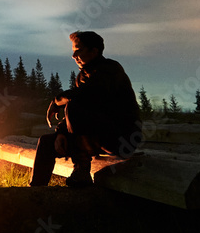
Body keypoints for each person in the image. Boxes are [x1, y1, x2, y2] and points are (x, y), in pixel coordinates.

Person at [29, 30, 142, 188]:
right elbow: (79, 109)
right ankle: (35, 193)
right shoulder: (82, 77)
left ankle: (82, 170)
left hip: (122, 139)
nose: (73, 56)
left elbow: (86, 98)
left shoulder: (110, 70)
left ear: (94, 51)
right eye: (73, 51)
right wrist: (61, 133)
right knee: (47, 142)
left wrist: (57, 101)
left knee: (74, 104)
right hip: (95, 138)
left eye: (78, 50)